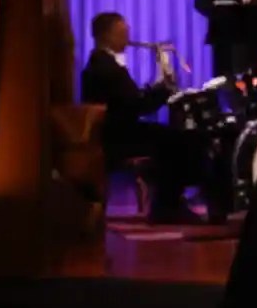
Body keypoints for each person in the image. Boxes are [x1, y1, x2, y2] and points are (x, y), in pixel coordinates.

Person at [79, 12, 197, 224]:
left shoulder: (102, 63)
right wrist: (164, 89)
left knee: (170, 137)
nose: (127, 38)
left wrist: (157, 90)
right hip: (117, 138)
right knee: (178, 140)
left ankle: (167, 202)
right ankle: (167, 206)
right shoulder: (106, 67)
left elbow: (130, 99)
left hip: (118, 131)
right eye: (123, 33)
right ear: (107, 36)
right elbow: (136, 106)